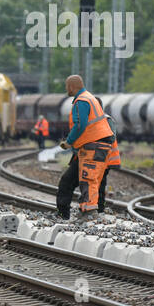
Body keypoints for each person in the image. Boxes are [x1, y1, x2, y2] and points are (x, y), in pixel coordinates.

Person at [57, 74, 115, 219]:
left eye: (66, 86)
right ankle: (84, 212)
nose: (66, 89)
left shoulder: (81, 101)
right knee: (87, 180)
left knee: (88, 179)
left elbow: (80, 125)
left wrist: (69, 141)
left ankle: (89, 213)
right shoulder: (89, 97)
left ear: (71, 86)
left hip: (93, 146)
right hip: (95, 146)